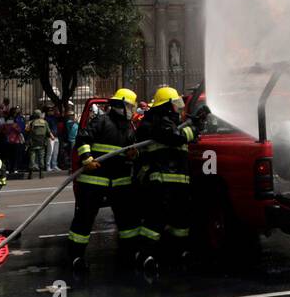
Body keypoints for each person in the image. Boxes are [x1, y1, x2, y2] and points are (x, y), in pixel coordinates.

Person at [134, 86, 205, 275]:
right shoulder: (155, 122)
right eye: (175, 104)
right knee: (155, 220)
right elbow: (173, 137)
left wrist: (195, 123)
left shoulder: (172, 123)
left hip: (178, 182)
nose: (178, 108)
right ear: (166, 105)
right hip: (160, 182)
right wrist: (194, 129)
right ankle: (145, 255)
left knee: (181, 220)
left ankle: (178, 252)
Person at [68, 88, 139, 272]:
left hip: (119, 183)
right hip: (94, 181)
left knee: (127, 222)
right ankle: (76, 257)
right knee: (84, 220)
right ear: (121, 106)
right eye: (130, 106)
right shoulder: (101, 121)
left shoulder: (129, 128)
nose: (132, 110)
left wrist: (133, 154)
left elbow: (132, 151)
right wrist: (87, 158)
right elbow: (82, 139)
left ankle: (129, 255)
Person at [27, 109, 50, 178]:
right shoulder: (45, 122)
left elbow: (27, 131)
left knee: (32, 157)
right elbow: (48, 132)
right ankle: (41, 174)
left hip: (33, 143)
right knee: (41, 157)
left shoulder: (31, 122)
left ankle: (30, 174)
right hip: (42, 143)